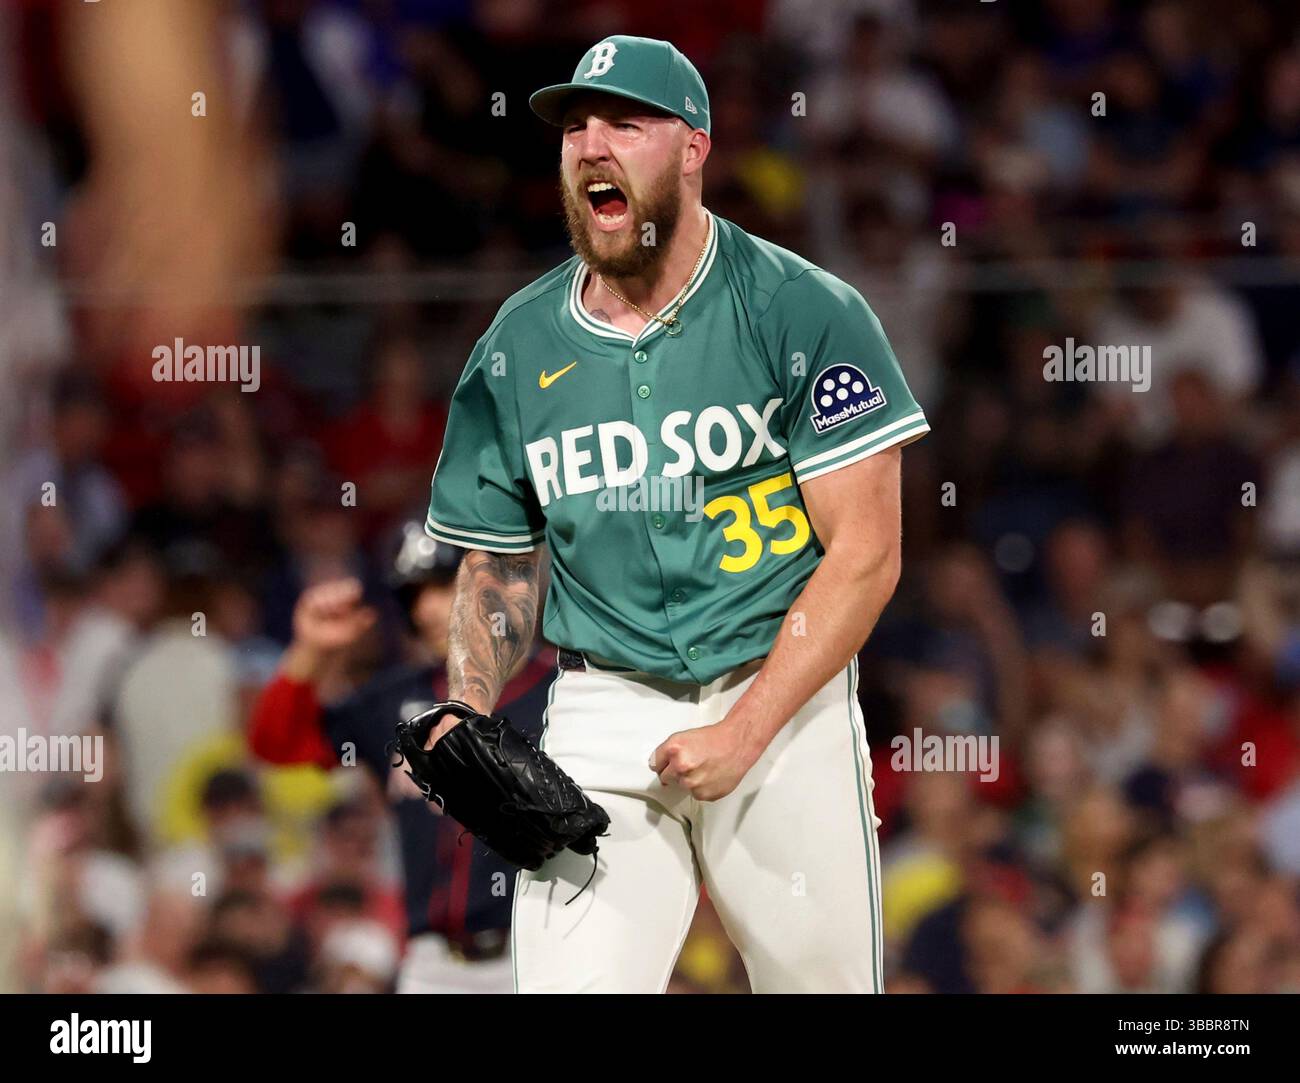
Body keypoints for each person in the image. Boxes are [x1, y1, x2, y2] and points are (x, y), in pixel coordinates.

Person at [421, 36, 929, 993]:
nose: (591, 145)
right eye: (575, 128)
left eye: (625, 122)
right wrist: (467, 703)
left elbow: (866, 553)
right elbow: (500, 560)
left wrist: (745, 729)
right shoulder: (516, 346)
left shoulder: (803, 310)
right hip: (601, 711)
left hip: (779, 697)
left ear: (694, 147)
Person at [247, 521, 553, 993]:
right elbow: (277, 744)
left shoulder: (562, 695)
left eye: (444, 585)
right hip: (433, 966)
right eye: (414, 594)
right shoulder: (397, 701)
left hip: (540, 955)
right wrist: (310, 653)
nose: (428, 609)